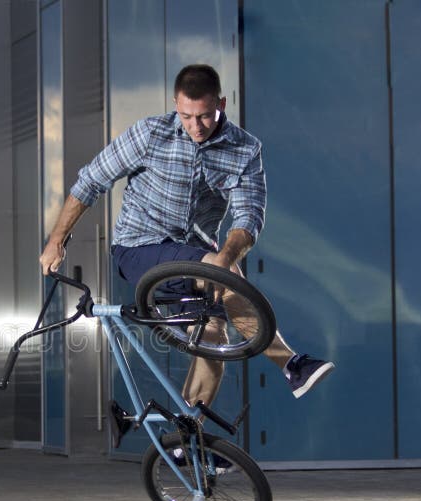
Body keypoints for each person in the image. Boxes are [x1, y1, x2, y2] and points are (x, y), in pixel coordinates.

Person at [39, 63, 334, 413]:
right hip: (139, 249)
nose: (195, 126)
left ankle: (186, 443)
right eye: (186, 116)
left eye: (205, 116)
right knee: (216, 268)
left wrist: (226, 258)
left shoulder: (244, 149)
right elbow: (90, 182)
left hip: (195, 257)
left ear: (221, 103)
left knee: (213, 338)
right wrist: (56, 241)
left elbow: (248, 217)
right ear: (176, 105)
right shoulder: (150, 134)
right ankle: (291, 364)